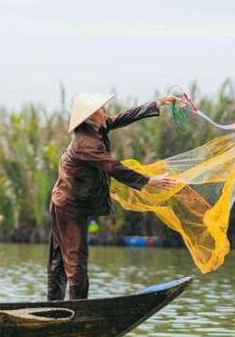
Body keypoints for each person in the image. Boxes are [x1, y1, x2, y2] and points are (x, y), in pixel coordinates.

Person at [48, 93, 181, 301]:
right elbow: (113, 167)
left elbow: (123, 117)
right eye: (102, 109)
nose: (105, 111)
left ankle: (55, 305)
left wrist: (159, 103)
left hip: (71, 202)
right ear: (91, 115)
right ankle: (78, 309)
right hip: (69, 205)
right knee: (74, 260)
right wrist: (148, 181)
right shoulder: (86, 143)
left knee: (63, 258)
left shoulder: (96, 127)